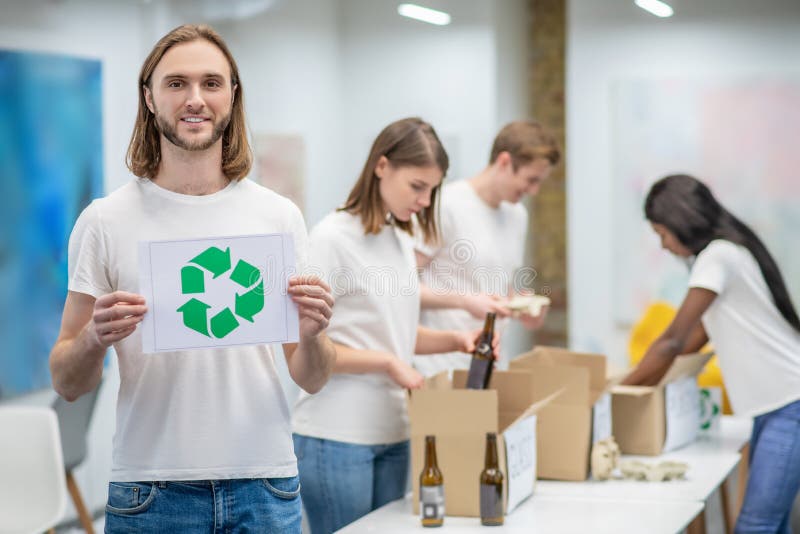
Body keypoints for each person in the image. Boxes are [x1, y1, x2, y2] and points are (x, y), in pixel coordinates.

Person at [49, 24, 336, 532]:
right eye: (176, 83)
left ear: (232, 95)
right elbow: (67, 382)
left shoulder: (279, 217)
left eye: (211, 82)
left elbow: (311, 375)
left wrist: (313, 336)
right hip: (149, 493)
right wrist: (94, 337)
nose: (195, 99)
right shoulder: (105, 221)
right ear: (149, 97)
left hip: (265, 487)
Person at [291, 117, 496, 533]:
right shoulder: (331, 238)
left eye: (432, 190)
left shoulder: (400, 240)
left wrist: (457, 340)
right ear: (381, 166)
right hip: (337, 436)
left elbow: (396, 333)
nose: (425, 200)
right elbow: (305, 346)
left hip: (396, 430)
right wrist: (386, 363)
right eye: (417, 186)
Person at [623, 174, 800, 533]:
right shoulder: (731, 252)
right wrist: (653, 382)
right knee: (772, 524)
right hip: (775, 407)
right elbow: (696, 339)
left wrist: (621, 391)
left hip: (790, 405)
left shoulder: (717, 255)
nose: (663, 246)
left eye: (662, 234)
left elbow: (673, 340)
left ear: (681, 222)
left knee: (755, 525)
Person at [413, 120, 561, 377]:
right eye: (531, 180)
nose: (534, 191)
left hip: (488, 366)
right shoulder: (445, 206)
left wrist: (521, 305)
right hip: (438, 368)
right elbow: (400, 287)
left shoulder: (517, 215)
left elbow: (493, 286)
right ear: (504, 162)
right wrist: (463, 301)